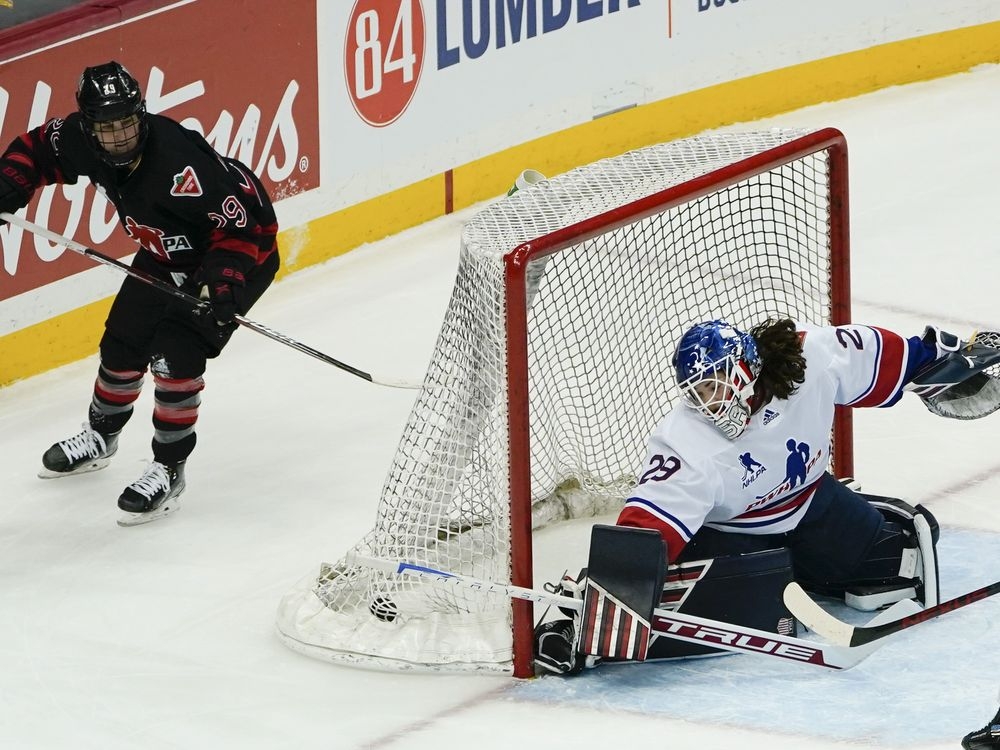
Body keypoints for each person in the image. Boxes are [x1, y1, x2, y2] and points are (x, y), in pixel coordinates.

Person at [535, 317, 1000, 674]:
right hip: (734, 538)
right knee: (739, 608)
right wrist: (598, 605)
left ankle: (830, 550)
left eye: (717, 383)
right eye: (698, 391)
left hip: (813, 504)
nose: (710, 400)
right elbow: (644, 532)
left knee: (903, 557)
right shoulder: (688, 442)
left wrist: (948, 362)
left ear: (747, 368)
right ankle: (572, 624)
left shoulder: (811, 358)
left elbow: (894, 359)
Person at [0, 61, 280, 526]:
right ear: (89, 128)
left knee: (176, 353)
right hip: (164, 252)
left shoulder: (178, 164)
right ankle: (101, 436)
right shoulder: (80, 139)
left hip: (237, 256)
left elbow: (236, 230)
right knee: (123, 341)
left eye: (128, 123)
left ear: (142, 115)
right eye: (107, 128)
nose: (120, 137)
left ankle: (170, 467)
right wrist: (10, 183)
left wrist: (223, 287)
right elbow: (35, 149)